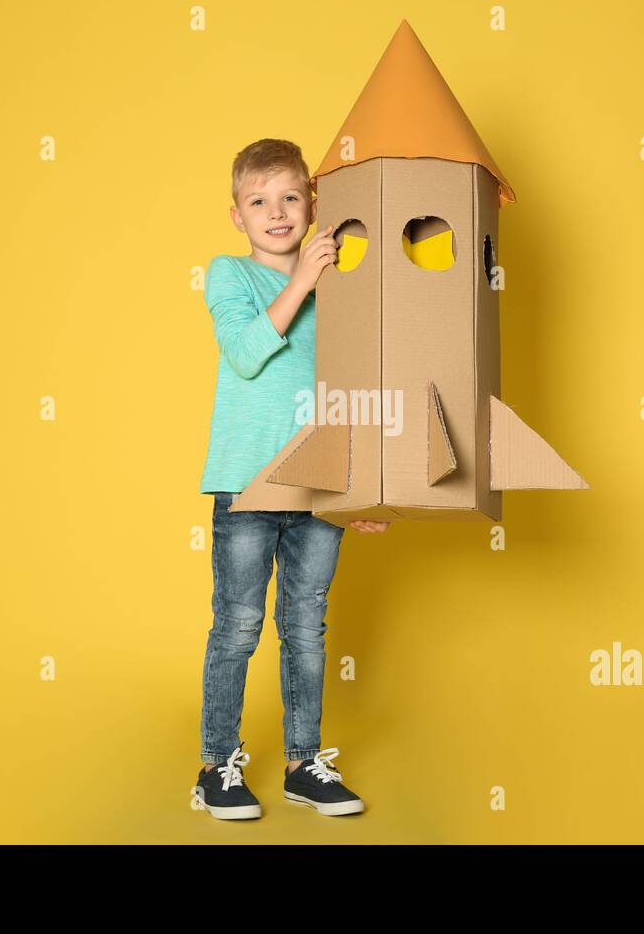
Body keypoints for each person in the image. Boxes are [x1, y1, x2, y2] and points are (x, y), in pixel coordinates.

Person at [194, 138, 388, 820]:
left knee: (306, 628)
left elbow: (352, 389)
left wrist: (360, 486)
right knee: (239, 626)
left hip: (318, 485)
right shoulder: (228, 275)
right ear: (237, 216)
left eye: (289, 197)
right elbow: (246, 356)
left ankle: (305, 763)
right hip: (247, 484)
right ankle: (216, 765)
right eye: (258, 201)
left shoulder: (341, 286)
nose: (276, 211)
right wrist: (303, 278)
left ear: (313, 203)